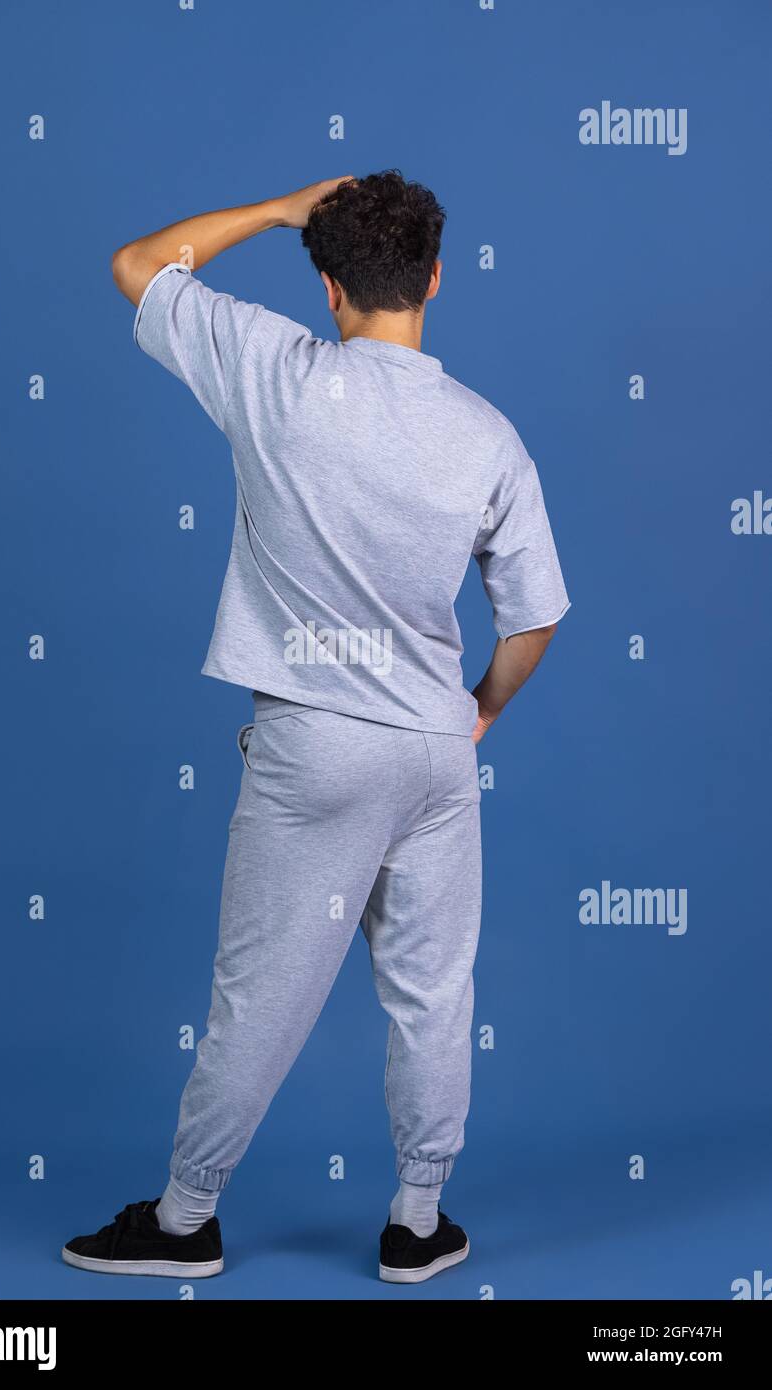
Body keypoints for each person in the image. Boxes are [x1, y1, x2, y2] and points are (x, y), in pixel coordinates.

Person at [62, 171, 570, 1285]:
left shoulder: (272, 367)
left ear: (330, 289)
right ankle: (419, 1222)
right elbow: (532, 617)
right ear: (435, 279)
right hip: (438, 751)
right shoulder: (487, 433)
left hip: (317, 743)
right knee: (437, 993)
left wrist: (280, 207)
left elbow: (138, 266)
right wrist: (478, 708)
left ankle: (187, 1220)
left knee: (263, 993)